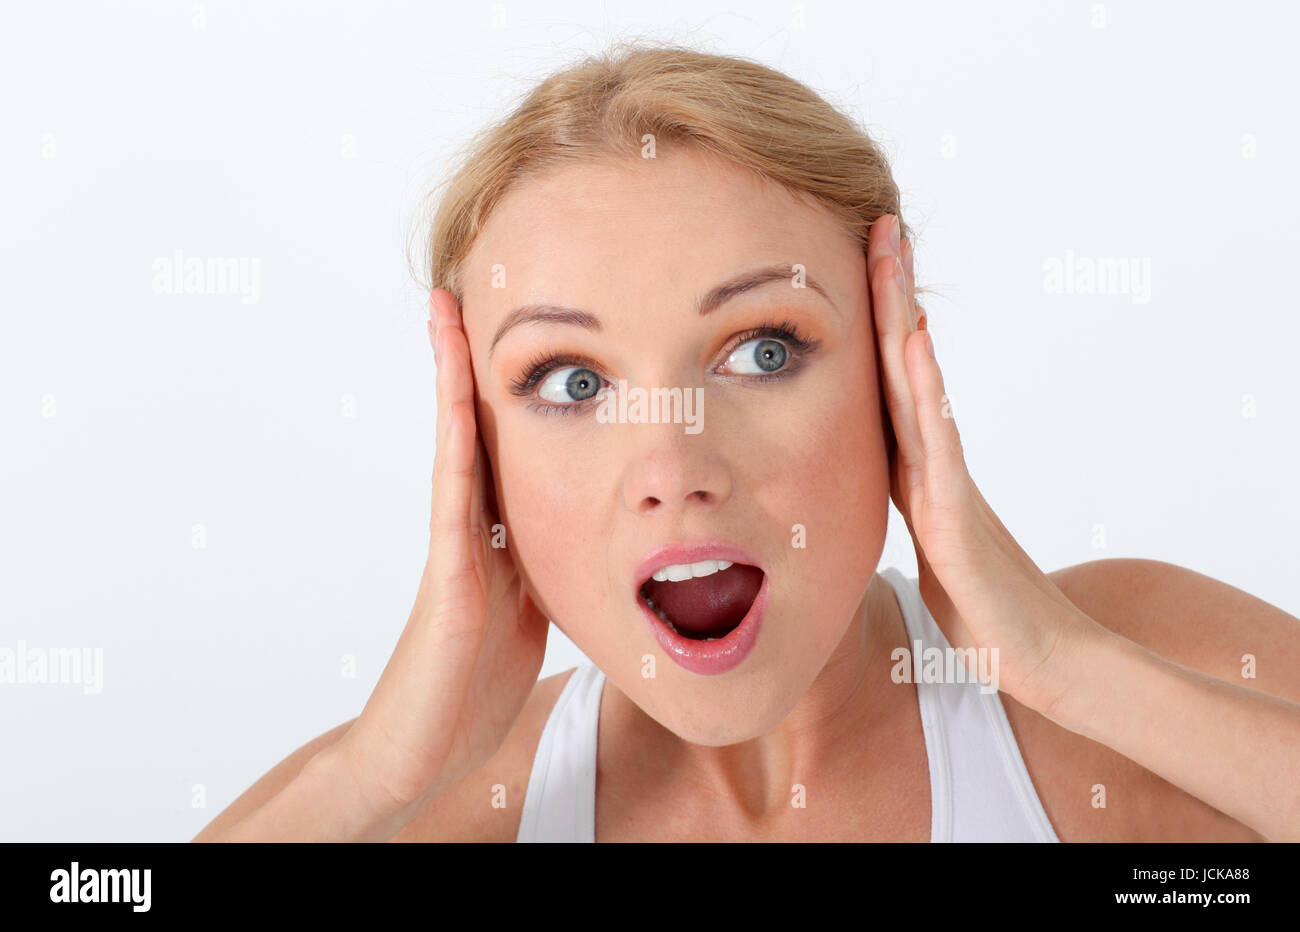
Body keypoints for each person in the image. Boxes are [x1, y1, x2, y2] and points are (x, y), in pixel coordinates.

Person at [194, 43, 1300, 843]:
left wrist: (1069, 670)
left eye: (762, 351)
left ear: (894, 373)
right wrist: (374, 772)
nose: (673, 468)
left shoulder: (1139, 672)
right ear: (477, 452)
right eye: (570, 382)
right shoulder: (436, 807)